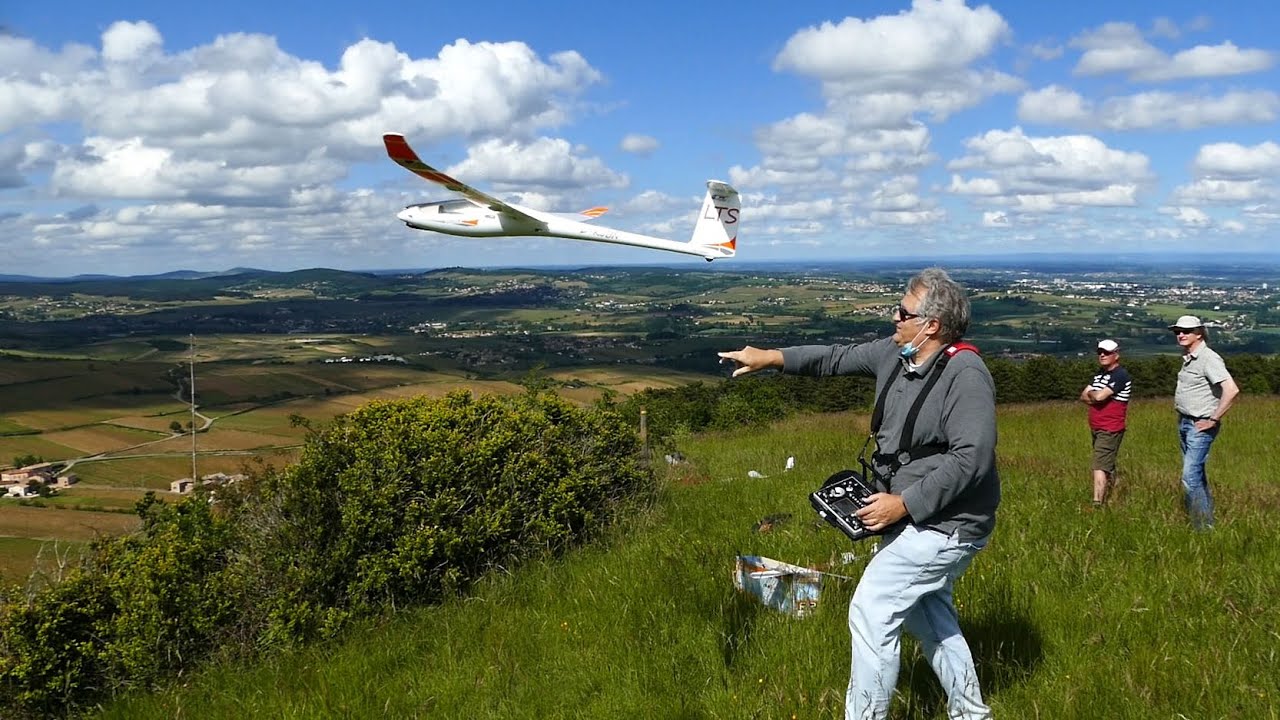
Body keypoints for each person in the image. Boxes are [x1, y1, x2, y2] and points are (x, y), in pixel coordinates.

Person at [719, 267, 998, 720]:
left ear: (932, 325)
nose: (893, 318)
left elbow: (973, 459)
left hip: (949, 525)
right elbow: (833, 357)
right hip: (914, 518)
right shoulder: (896, 354)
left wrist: (903, 503)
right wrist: (769, 357)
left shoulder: (966, 374)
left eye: (902, 312)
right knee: (930, 618)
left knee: (871, 610)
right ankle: (971, 713)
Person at [1169, 315, 1239, 530]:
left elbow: (1232, 390)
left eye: (1186, 331)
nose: (1180, 334)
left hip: (1200, 424)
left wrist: (1213, 419)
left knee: (1189, 477)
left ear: (1199, 333)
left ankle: (1203, 528)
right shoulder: (1190, 358)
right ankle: (1206, 520)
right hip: (1186, 422)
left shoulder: (1209, 359)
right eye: (1177, 331)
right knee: (1196, 475)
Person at [1078, 339, 1132, 507]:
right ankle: (1112, 495)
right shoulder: (1099, 374)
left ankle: (1097, 503)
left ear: (1116, 355)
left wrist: (1095, 395)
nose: (1102, 355)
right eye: (1100, 352)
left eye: (1107, 352)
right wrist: (1097, 395)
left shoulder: (1120, 375)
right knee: (1106, 463)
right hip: (1097, 426)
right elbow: (1083, 396)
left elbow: (1098, 396)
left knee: (1099, 465)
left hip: (1110, 427)